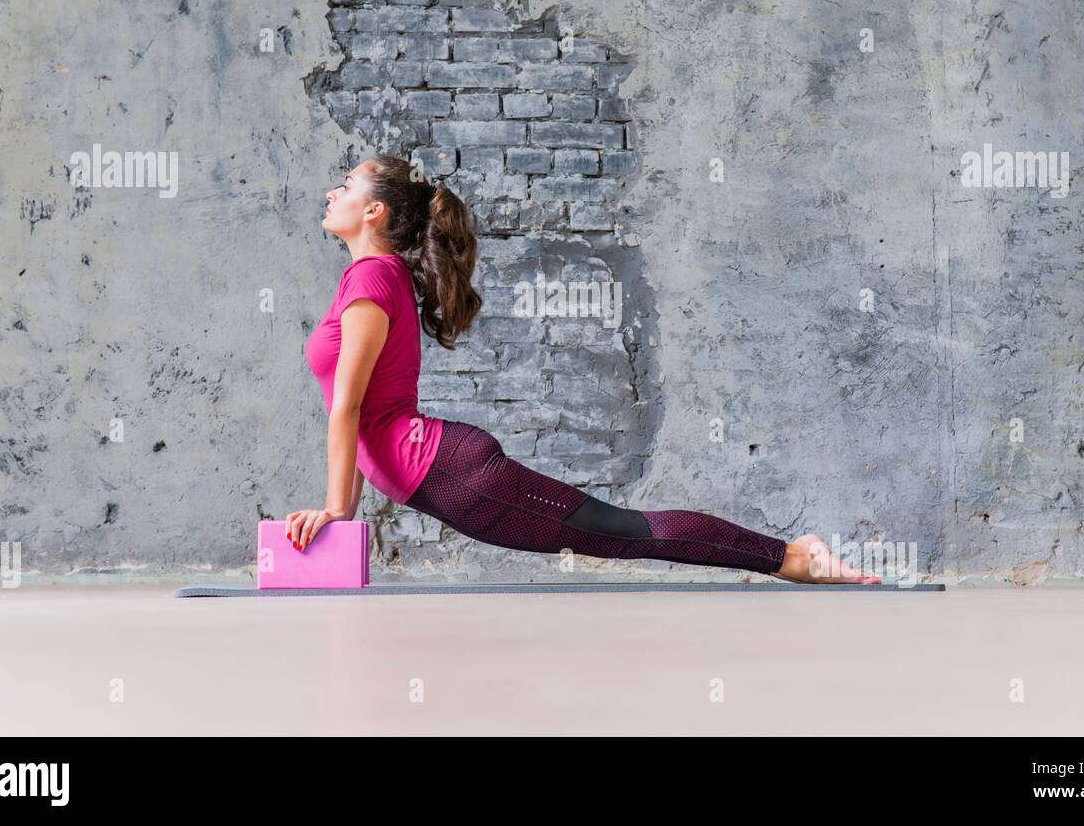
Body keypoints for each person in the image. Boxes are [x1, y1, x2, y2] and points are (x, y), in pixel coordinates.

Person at [288, 154, 879, 584]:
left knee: (624, 533)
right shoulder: (371, 277)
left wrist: (338, 510)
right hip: (440, 470)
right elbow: (365, 416)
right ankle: (791, 556)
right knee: (619, 532)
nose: (330, 195)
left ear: (373, 209)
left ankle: (793, 558)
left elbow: (349, 409)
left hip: (449, 472)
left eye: (343, 186)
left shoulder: (371, 277)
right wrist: (344, 513)